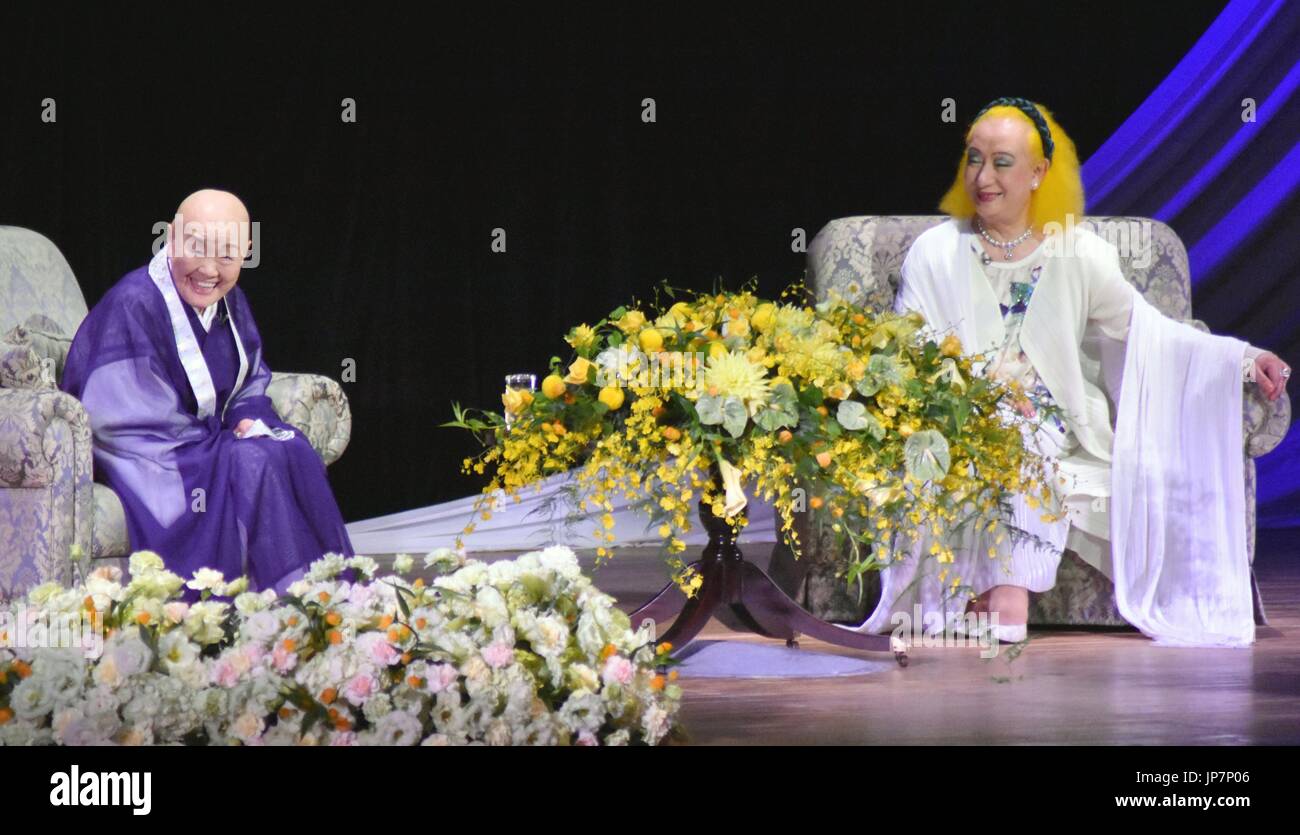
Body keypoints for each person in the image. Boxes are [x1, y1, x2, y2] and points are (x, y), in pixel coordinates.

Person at [845, 98, 1290, 646]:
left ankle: (1003, 598)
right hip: (957, 425)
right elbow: (908, 359)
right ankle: (1000, 598)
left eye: (1002, 162)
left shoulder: (1078, 253)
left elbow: (1150, 333)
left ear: (1038, 173)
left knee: (1022, 431)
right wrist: (975, 399)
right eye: (974, 159)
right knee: (1003, 426)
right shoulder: (935, 253)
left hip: (1054, 431)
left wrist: (1243, 360)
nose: (983, 177)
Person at [61, 189, 353, 597]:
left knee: (289, 446)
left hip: (200, 443)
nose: (209, 269)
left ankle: (320, 600)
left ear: (246, 254)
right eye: (197, 248)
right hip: (148, 457)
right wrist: (221, 443)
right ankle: (271, 603)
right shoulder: (134, 303)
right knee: (250, 458)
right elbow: (122, 419)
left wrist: (247, 417)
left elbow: (249, 382)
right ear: (172, 237)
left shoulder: (231, 303)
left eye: (228, 255)